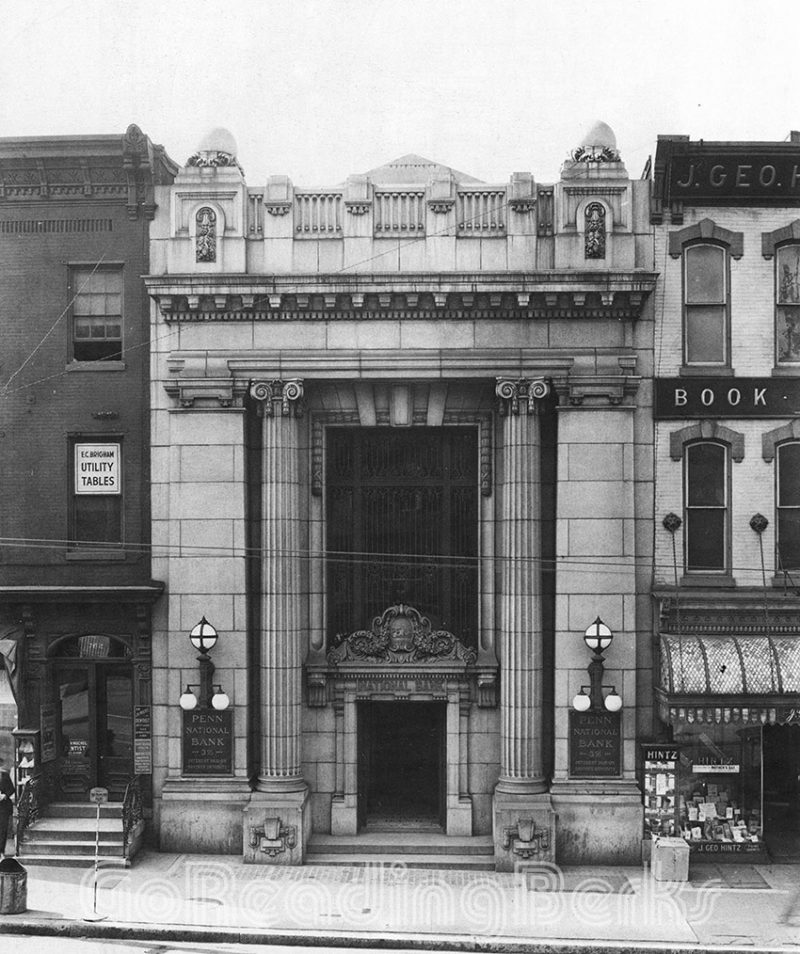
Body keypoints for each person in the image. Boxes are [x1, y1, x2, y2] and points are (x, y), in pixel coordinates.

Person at [0, 757, 13, 857]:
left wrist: (5, 795)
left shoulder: (5, 776)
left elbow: (12, 789)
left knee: (3, 830)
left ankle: (1, 852)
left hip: (3, 807)